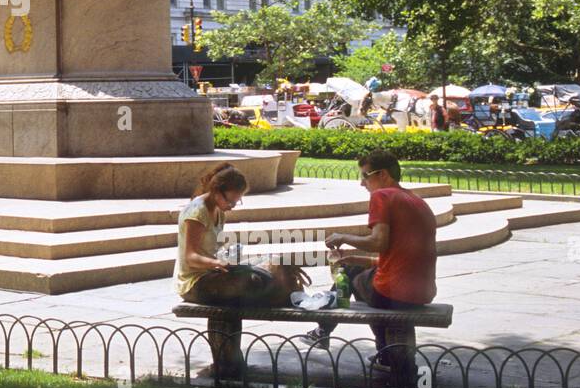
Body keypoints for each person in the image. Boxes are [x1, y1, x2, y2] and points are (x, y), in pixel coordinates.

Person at [304, 150, 437, 364]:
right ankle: (380, 351)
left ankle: (322, 330)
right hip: (423, 291)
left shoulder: (382, 196)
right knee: (354, 269)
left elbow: (378, 242)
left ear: (382, 174)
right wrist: (356, 258)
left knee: (348, 276)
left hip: (395, 293)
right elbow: (401, 257)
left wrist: (343, 236)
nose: (362, 183)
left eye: (365, 176)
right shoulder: (415, 200)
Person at [174, 163, 306, 305]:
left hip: (214, 273)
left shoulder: (219, 210)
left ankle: (294, 300)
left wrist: (228, 259)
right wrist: (218, 263)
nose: (232, 206)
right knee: (252, 282)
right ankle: (287, 299)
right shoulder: (197, 212)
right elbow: (190, 257)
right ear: (216, 191)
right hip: (195, 282)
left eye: (237, 202)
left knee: (279, 262)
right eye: (230, 201)